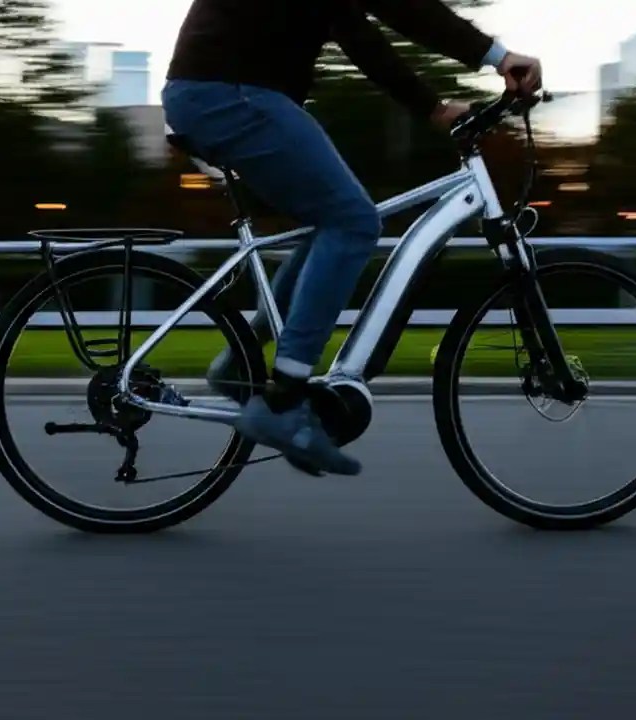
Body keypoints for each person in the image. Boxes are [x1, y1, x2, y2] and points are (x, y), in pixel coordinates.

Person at [161, 0, 542, 477]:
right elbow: (383, 22)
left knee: (331, 221)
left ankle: (240, 363)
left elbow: (384, 24)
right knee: (353, 222)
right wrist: (463, 86)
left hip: (226, 93)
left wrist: (467, 79)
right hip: (231, 93)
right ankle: (285, 403)